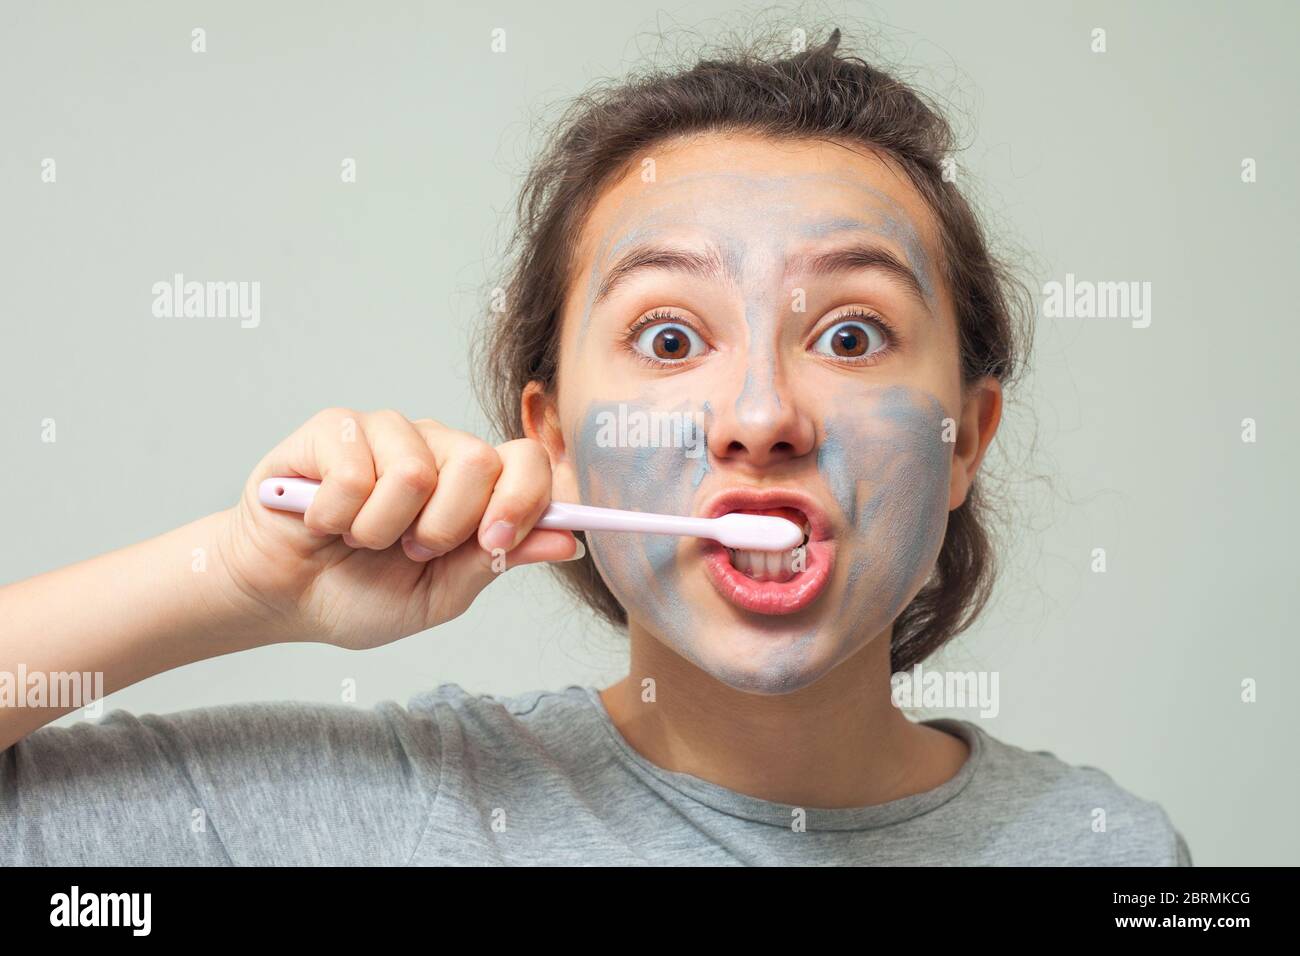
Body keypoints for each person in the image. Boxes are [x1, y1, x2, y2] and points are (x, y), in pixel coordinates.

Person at [0, 27, 1191, 866]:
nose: (761, 413)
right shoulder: (371, 818)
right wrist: (243, 581)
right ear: (554, 441)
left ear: (965, 437)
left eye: (850, 329)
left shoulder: (1119, 856)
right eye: (670, 337)